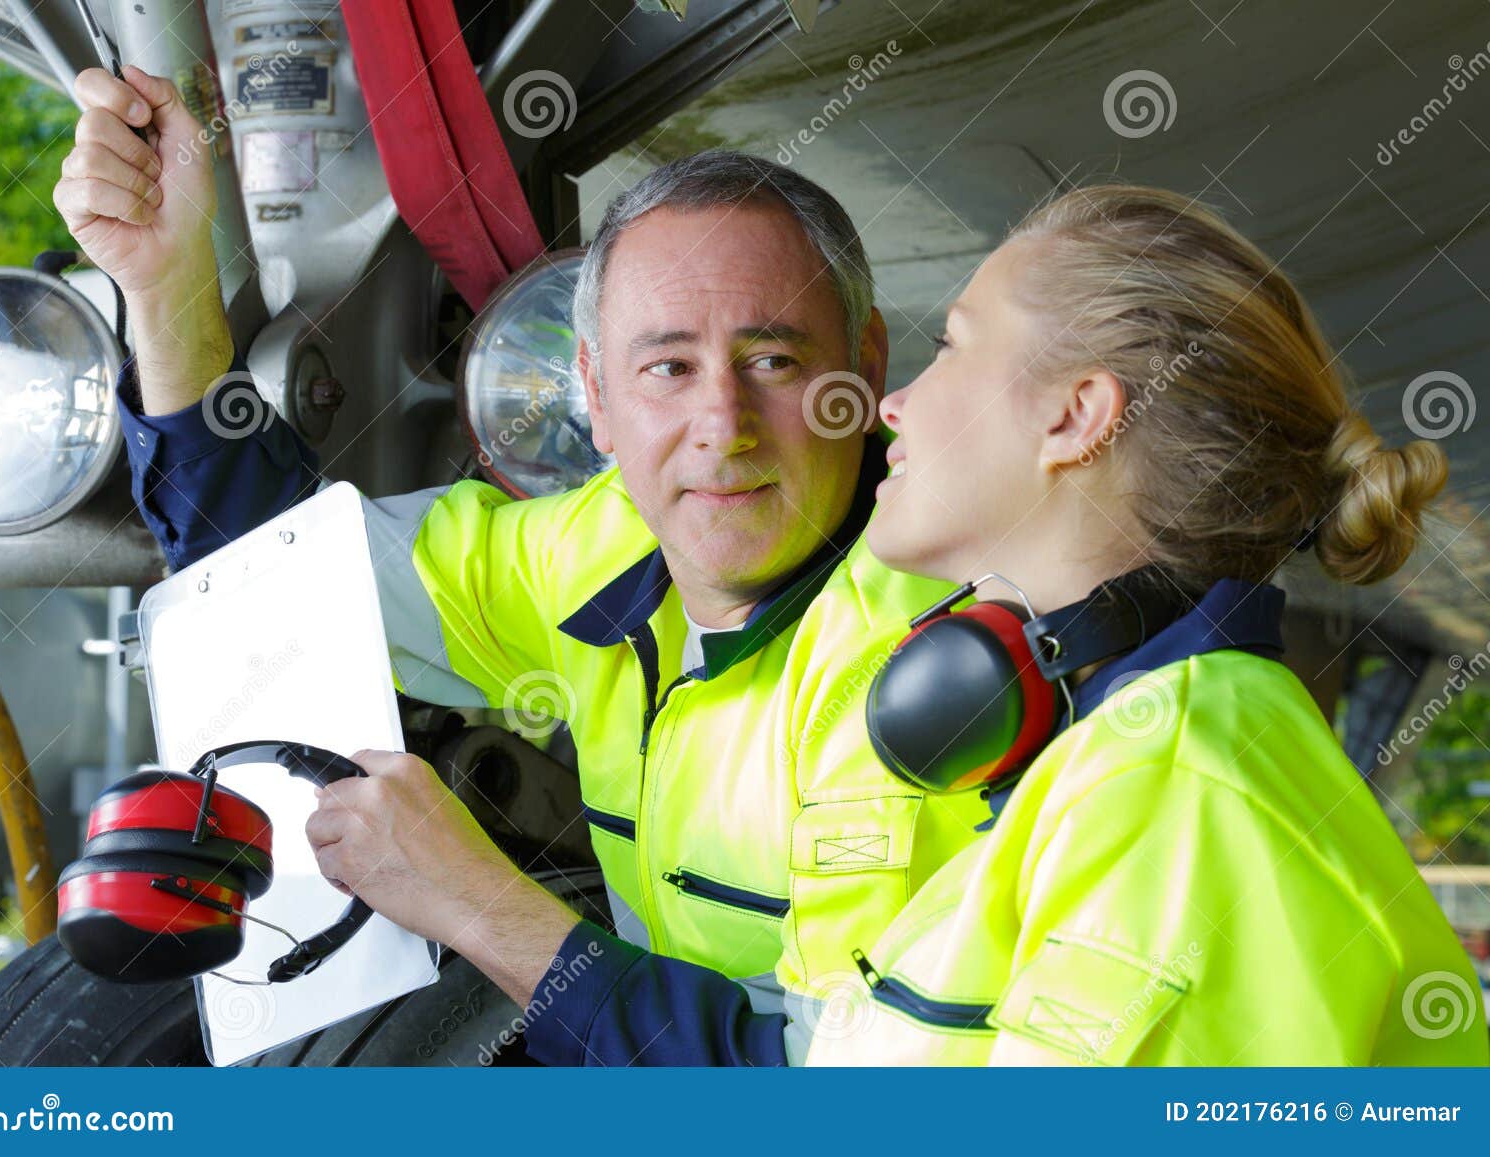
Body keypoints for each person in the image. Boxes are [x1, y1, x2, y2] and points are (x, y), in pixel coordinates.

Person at [347, 183, 1486, 1067]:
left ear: (1074, 416)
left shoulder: (1185, 795)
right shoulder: (1110, 757)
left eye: (951, 343)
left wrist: (486, 909)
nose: (890, 404)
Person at [53, 67, 988, 1045]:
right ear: (593, 390)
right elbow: (273, 586)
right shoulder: (603, 544)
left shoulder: (940, 674)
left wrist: (477, 905)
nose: (723, 426)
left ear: (867, 364)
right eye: (668, 366)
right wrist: (169, 292)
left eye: (773, 360)